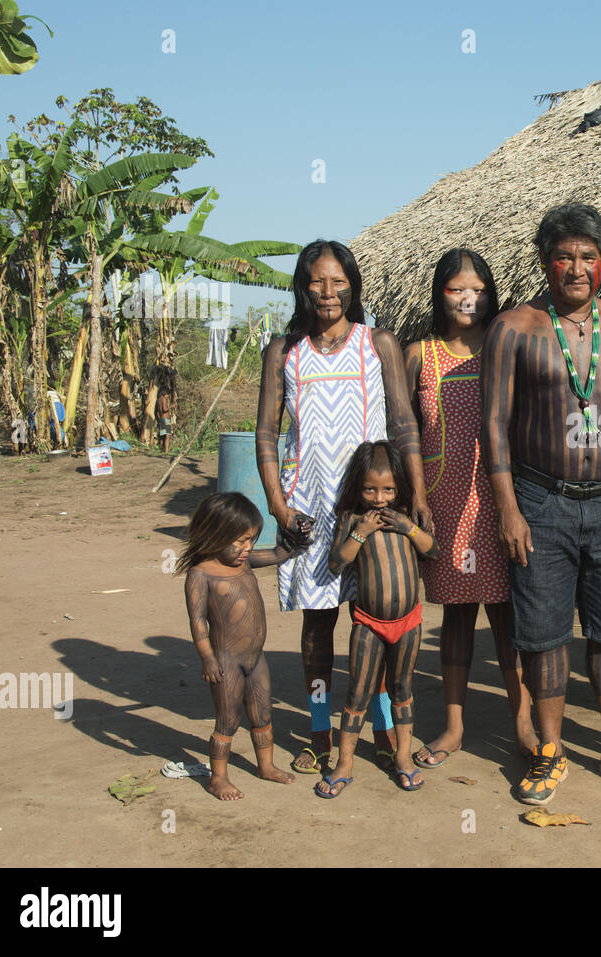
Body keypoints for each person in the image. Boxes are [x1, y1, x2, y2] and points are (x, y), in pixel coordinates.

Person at [482, 201, 601, 804]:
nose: (576, 267)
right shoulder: (513, 328)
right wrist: (508, 508)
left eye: (588, 256)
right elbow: (494, 424)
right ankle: (551, 748)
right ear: (545, 261)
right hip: (541, 501)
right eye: (565, 256)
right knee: (544, 633)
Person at [256, 240, 421, 776]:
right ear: (302, 287)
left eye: (337, 281)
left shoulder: (379, 344)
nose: (327, 293)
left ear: (353, 284)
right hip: (310, 507)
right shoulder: (284, 352)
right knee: (318, 626)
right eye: (316, 282)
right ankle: (320, 728)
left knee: (374, 619)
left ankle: (378, 726)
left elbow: (402, 424)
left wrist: (414, 497)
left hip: (370, 507)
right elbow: (265, 435)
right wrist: (281, 510)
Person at [402, 249, 536, 769]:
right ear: (440, 293)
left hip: (501, 500)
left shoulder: (507, 348)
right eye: (458, 288)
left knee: (507, 616)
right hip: (443, 498)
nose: (469, 299)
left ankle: (522, 723)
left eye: (479, 289)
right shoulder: (420, 355)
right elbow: (406, 431)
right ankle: (454, 726)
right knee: (456, 617)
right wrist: (415, 495)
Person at [316, 442, 439, 797]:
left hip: (409, 622)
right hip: (368, 622)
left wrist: (408, 527)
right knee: (357, 691)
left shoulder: (405, 516)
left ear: (399, 486)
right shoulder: (353, 519)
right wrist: (361, 533)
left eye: (388, 490)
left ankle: (403, 757)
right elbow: (336, 563)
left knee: (402, 688)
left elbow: (433, 551)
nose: (380, 498)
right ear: (358, 486)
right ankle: (345, 763)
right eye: (370, 489)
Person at [179, 492, 300, 800]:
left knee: (262, 714)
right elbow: (197, 623)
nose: (247, 548)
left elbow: (278, 554)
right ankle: (218, 778)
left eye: (251, 540)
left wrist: (297, 535)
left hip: (256, 658)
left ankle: (266, 766)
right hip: (226, 660)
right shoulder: (201, 574)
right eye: (240, 541)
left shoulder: (244, 562)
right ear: (213, 534)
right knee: (228, 720)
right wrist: (207, 658)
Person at [155, 376, 175, 454]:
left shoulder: (158, 400)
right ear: (164, 393)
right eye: (168, 394)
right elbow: (164, 409)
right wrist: (171, 406)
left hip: (161, 419)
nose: (168, 396)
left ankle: (161, 450)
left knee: (162, 436)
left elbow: (155, 412)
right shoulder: (164, 399)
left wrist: (158, 419)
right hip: (166, 420)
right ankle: (166, 451)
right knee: (167, 436)